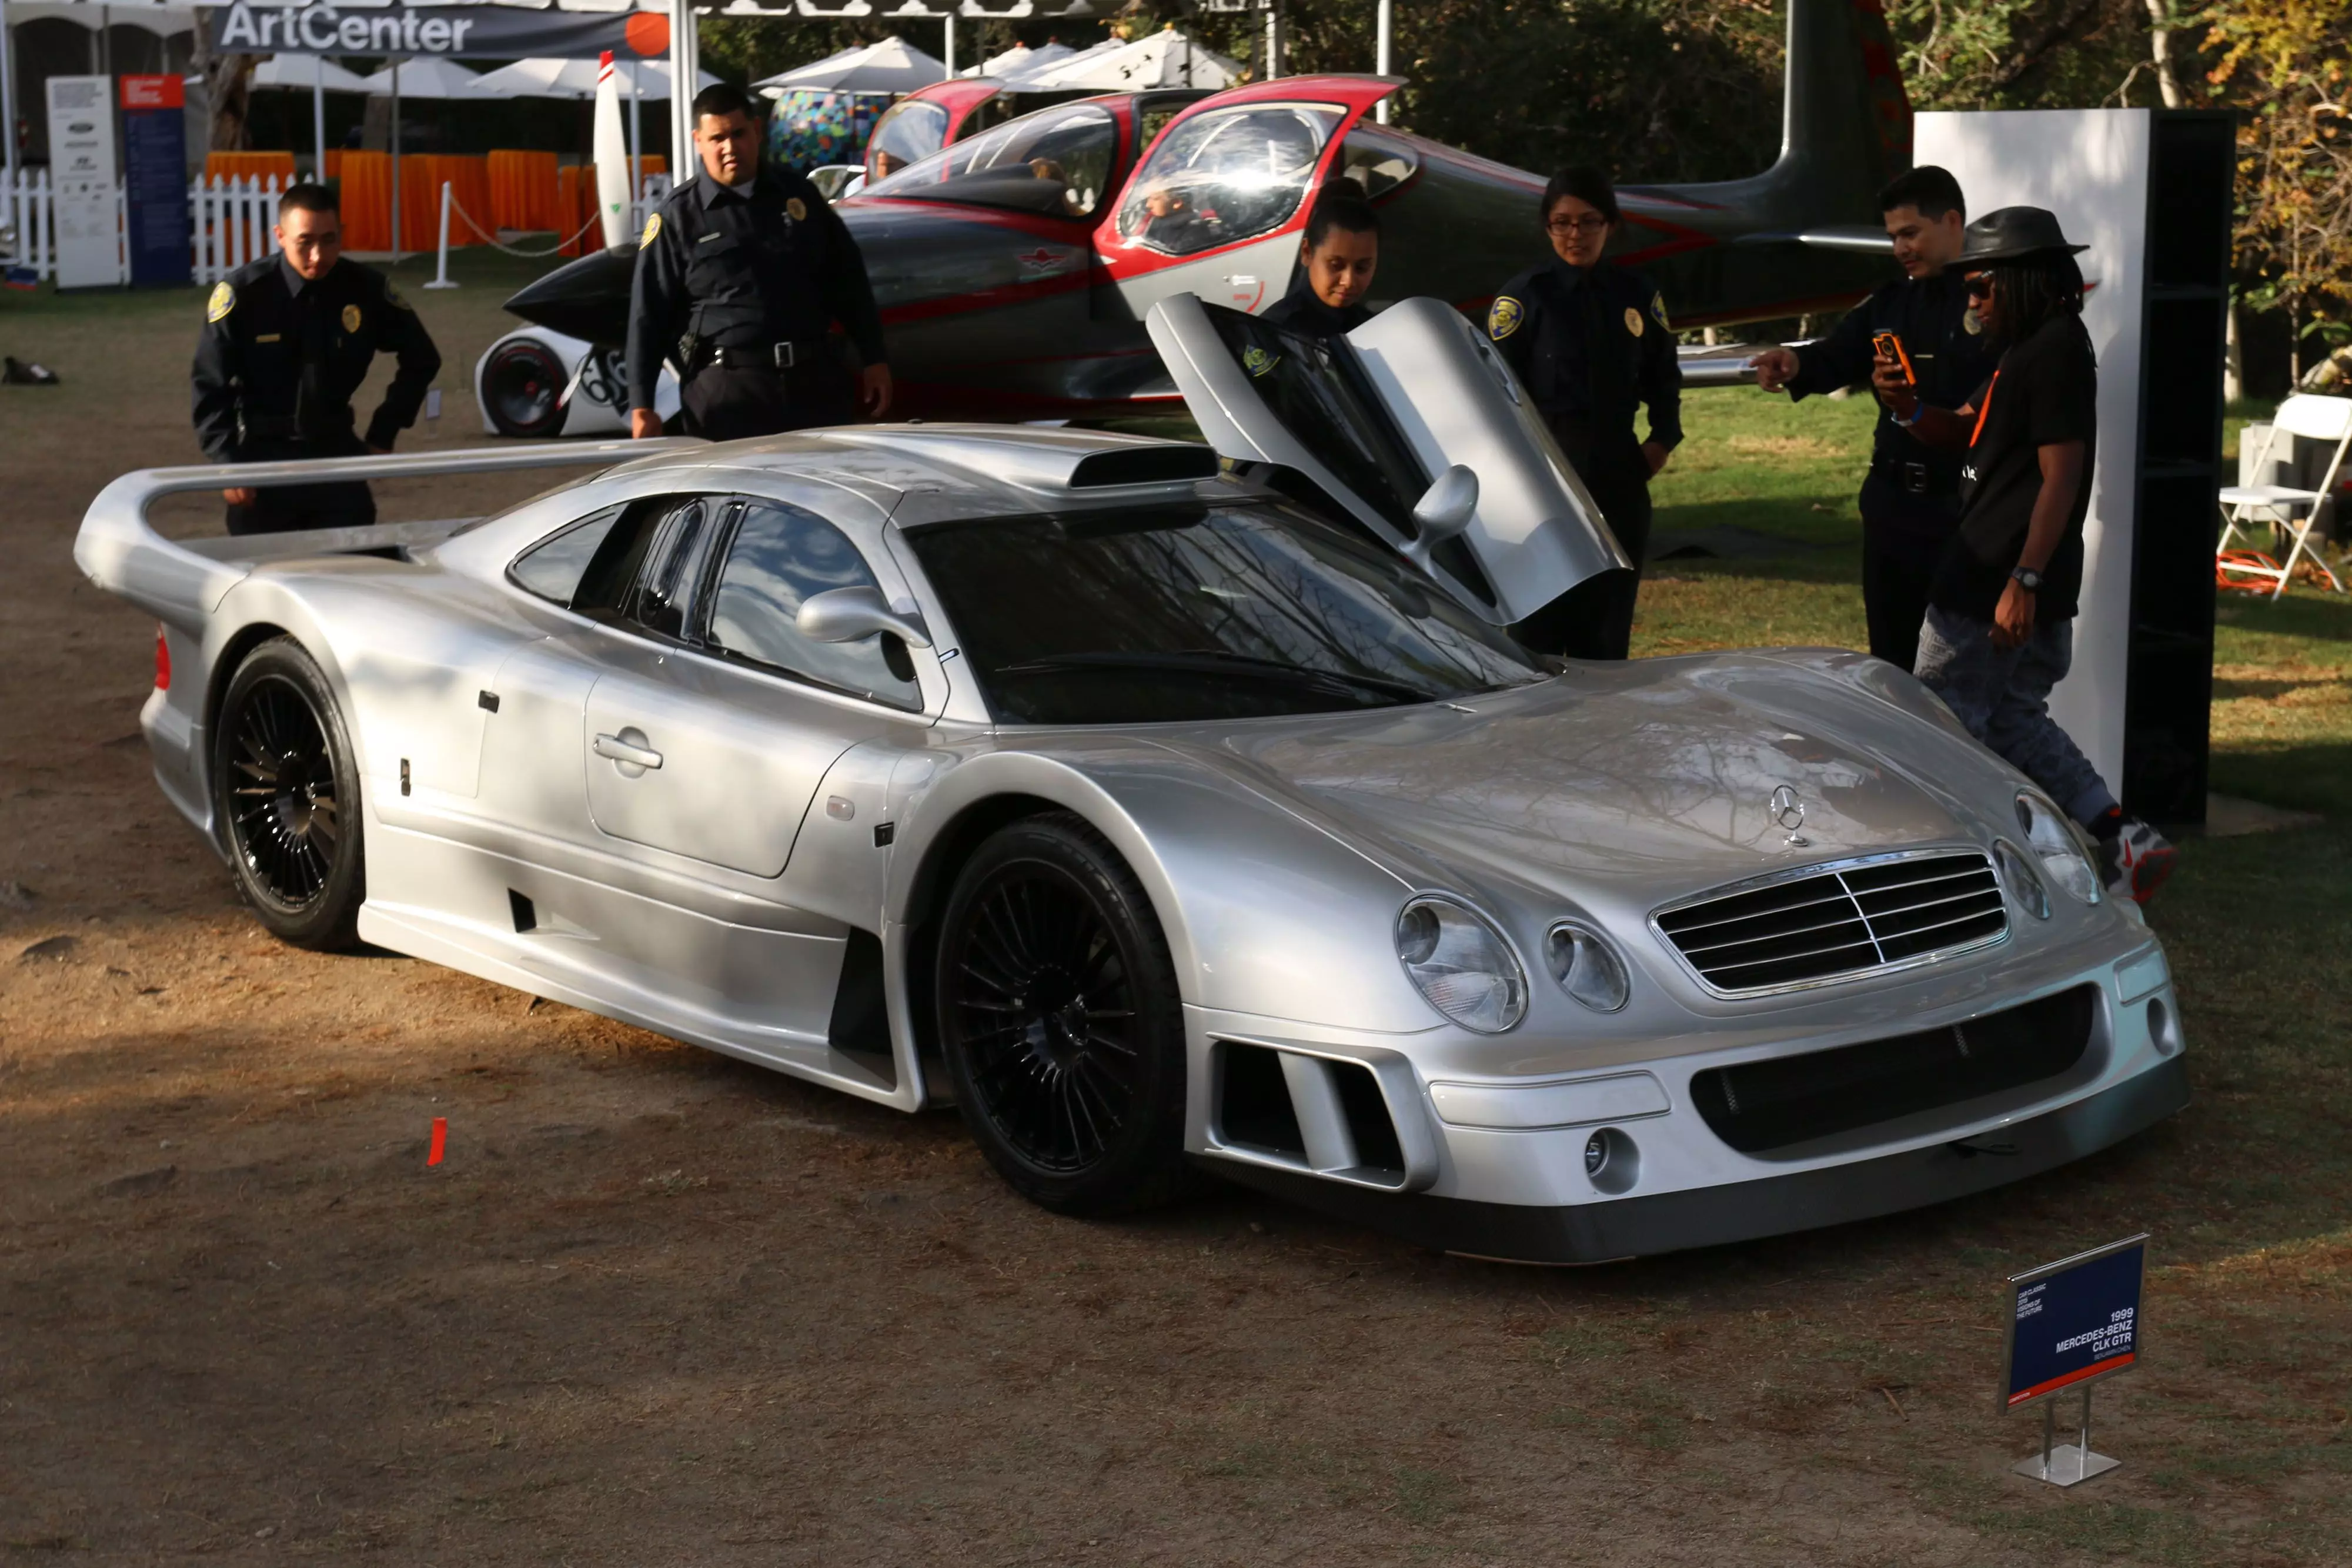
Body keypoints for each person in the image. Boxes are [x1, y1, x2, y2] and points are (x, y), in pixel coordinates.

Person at [1872, 206, 2176, 904]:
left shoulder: (2055, 353)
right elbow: (1964, 434)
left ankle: (1968, 883)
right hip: (2008, 580)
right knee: (2011, 721)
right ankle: (2123, 838)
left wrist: (2023, 578)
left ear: (2024, 282)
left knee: (1945, 730)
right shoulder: (2027, 350)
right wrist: (1907, 408)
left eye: (1981, 287)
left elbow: (2062, 475)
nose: (1972, 302)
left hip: (1993, 584)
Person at [1750, 166, 1996, 676]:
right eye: (1893, 238)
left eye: (1911, 233)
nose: (1900, 248)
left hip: (1962, 514)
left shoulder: (1990, 302)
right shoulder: (1890, 302)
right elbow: (1836, 355)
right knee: (1893, 667)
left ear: (1952, 221)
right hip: (1892, 511)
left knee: (1959, 675)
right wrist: (1794, 363)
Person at [1487, 166, 1681, 660]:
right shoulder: (1524, 299)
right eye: (1562, 222)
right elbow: (1494, 394)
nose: (1576, 234)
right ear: (1547, 226)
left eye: (1588, 222)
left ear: (1610, 225)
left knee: (1606, 634)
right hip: (1545, 482)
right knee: (1540, 634)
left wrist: (1658, 445)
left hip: (1618, 475)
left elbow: (1664, 377)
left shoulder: (1636, 294)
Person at [628, 82, 891, 442]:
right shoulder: (678, 217)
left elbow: (848, 281)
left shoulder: (798, 196)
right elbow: (648, 313)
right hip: (728, 396)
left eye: (739, 134)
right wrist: (642, 404)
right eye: (717, 138)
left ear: (757, 131)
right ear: (699, 141)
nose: (729, 147)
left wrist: (875, 358)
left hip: (813, 386)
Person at [191, 182, 440, 536]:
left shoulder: (365, 289)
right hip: (264, 463)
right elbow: (210, 384)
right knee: (263, 578)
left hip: (336, 457)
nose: (318, 256)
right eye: (305, 242)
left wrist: (384, 431)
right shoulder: (245, 296)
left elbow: (422, 358)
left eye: (329, 240)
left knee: (349, 570)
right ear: (280, 235)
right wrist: (228, 462)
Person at [1259, 189, 1378, 338]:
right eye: (1336, 265)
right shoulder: (1277, 332)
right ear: (1307, 252)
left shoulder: (1374, 327)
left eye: (1362, 268)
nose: (1348, 281)